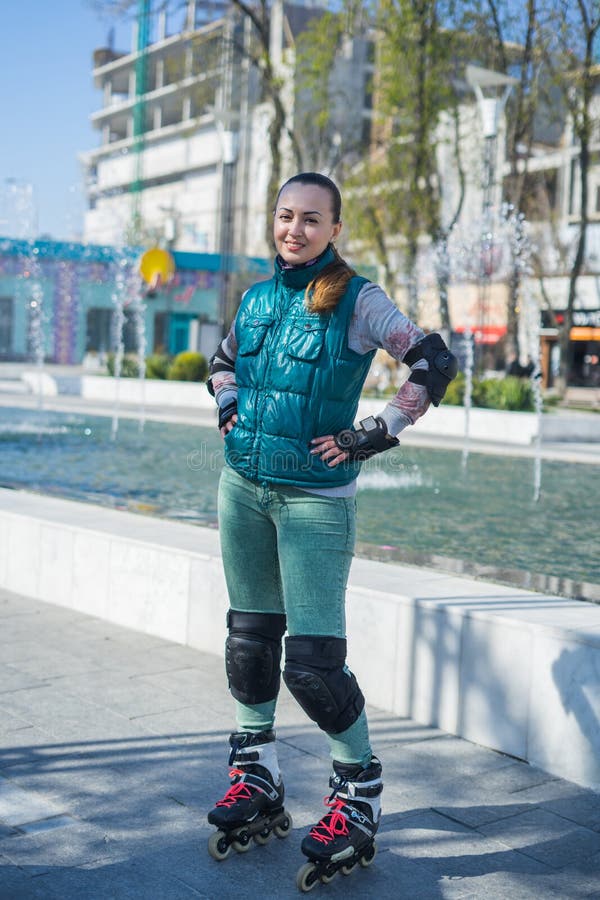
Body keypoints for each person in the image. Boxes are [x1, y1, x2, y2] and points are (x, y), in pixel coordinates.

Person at [206, 172, 456, 872]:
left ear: (335, 228)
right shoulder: (255, 299)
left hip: (316, 501)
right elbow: (222, 364)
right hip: (242, 490)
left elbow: (432, 361)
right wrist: (228, 404)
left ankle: (359, 791)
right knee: (248, 646)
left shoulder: (356, 297)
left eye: (312, 219)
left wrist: (374, 431)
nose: (295, 229)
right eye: (285, 216)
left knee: (312, 668)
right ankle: (256, 774)